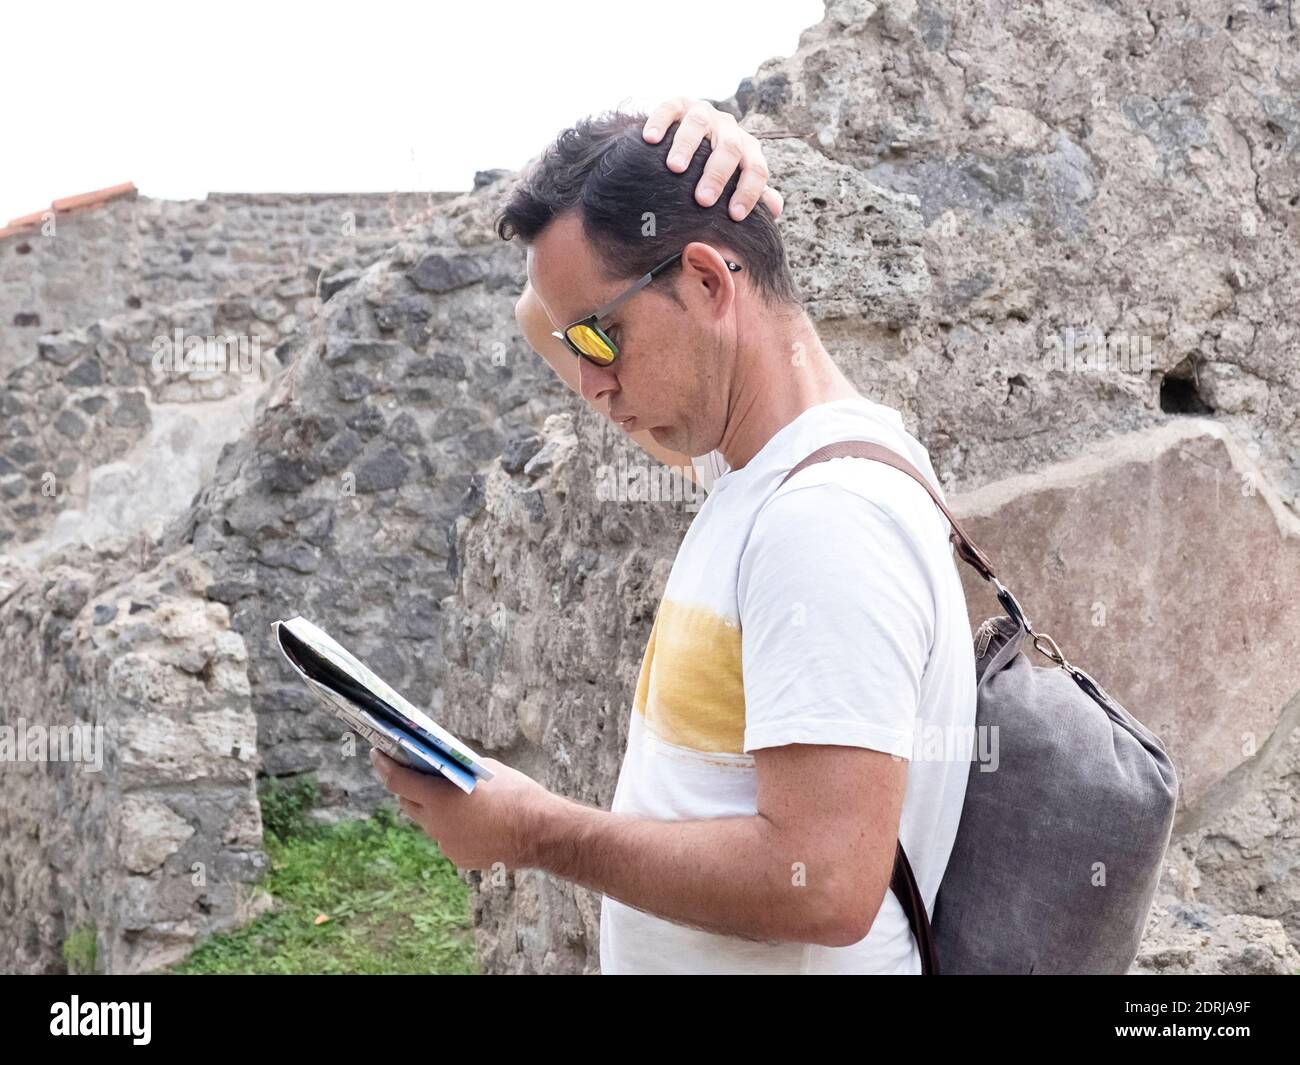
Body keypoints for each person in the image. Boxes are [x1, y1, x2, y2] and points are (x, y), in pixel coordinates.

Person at [370, 97, 977, 975]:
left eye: (600, 338)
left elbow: (827, 886)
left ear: (706, 283)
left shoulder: (826, 519)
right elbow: (537, 314)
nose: (586, 381)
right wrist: (687, 149)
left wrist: (535, 830)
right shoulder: (756, 468)